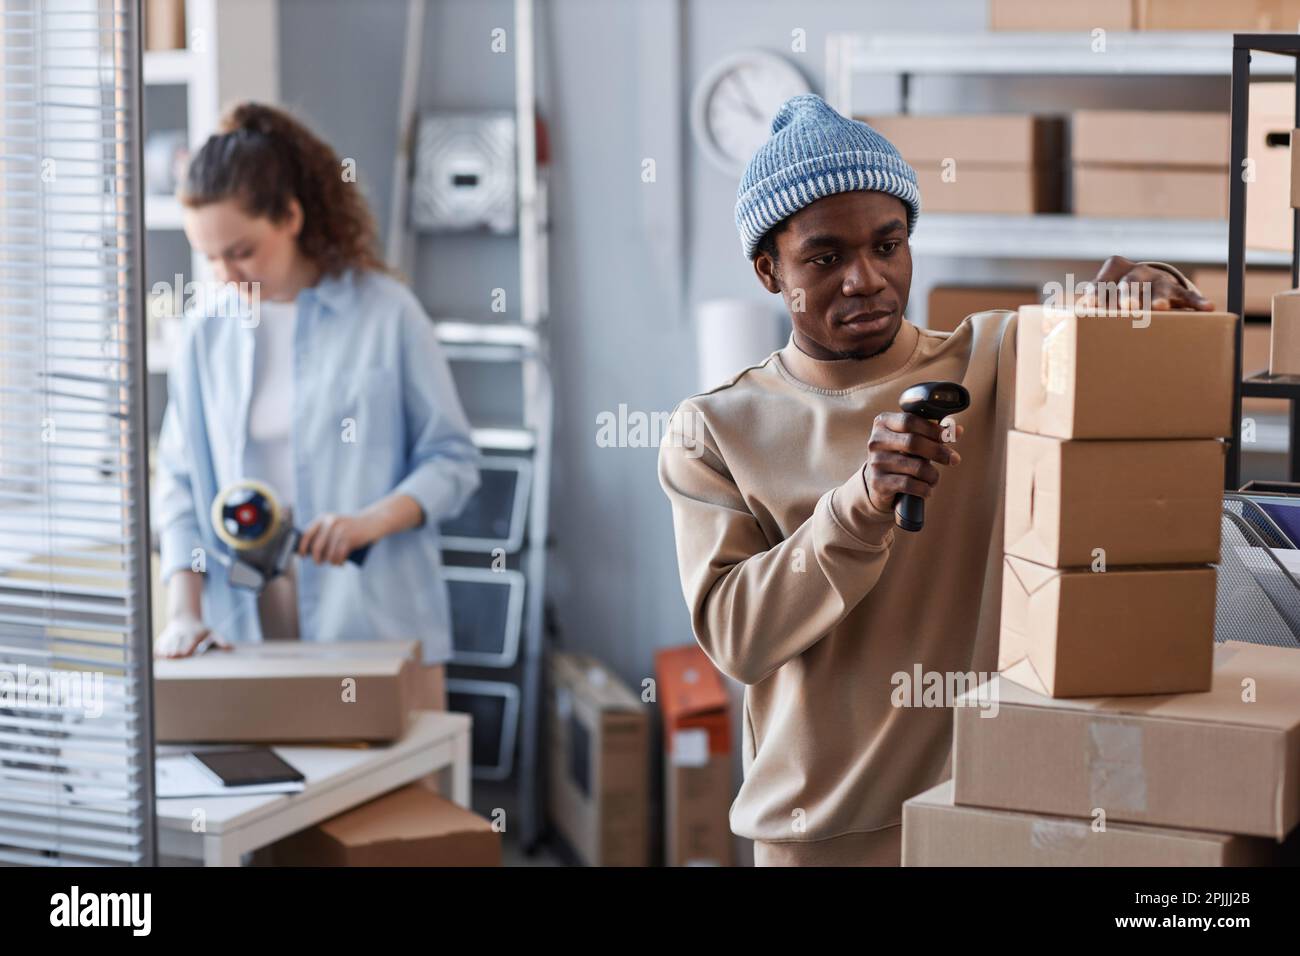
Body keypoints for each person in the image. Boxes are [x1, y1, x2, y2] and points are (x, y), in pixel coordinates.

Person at [658, 94, 1213, 866]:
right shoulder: (715, 430)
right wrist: (857, 508)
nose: (865, 279)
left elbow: (1116, 328)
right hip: (817, 837)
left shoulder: (993, 360)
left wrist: (1150, 284)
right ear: (767, 269)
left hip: (985, 817)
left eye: (887, 246)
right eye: (824, 258)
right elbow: (736, 640)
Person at [153, 102, 480, 711]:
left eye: (242, 251)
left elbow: (453, 461)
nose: (225, 274)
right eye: (210, 257)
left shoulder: (386, 314)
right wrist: (184, 612)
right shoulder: (205, 331)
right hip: (245, 626)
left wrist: (370, 522)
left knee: (401, 807)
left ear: (291, 217)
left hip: (375, 620)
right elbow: (177, 483)